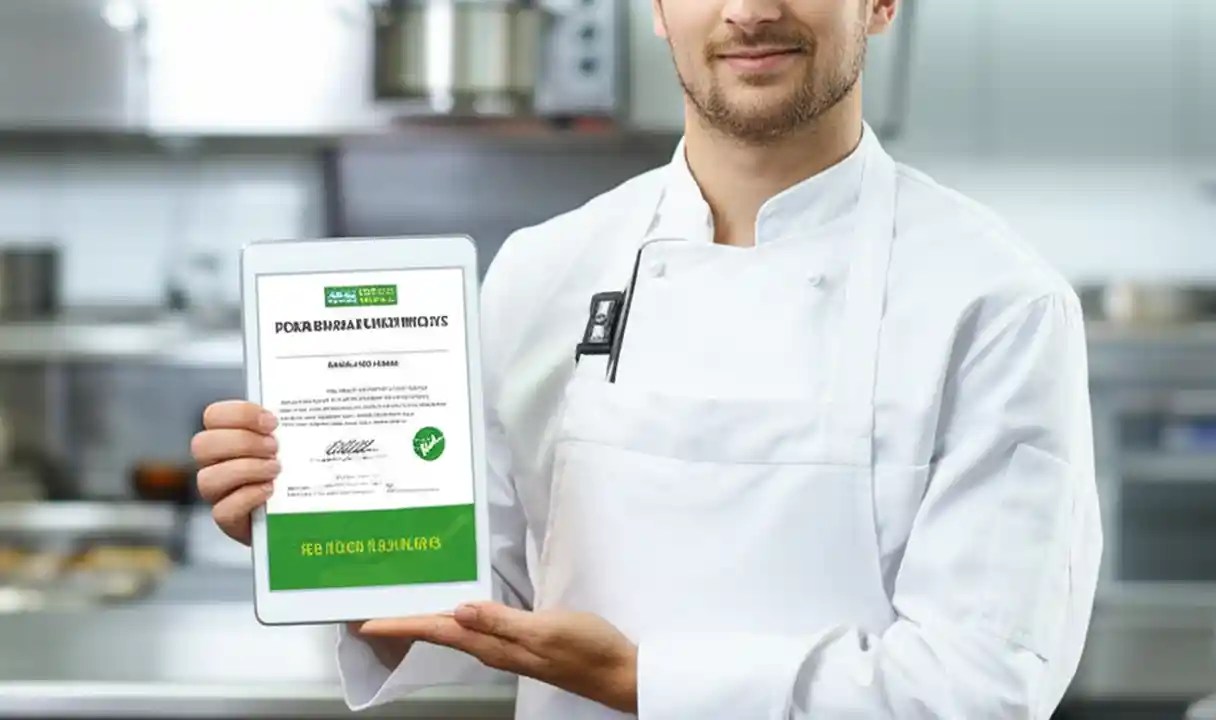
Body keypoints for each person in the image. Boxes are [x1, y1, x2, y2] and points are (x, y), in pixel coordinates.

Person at [190, 0, 1103, 716]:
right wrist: (321, 535)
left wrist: (643, 680)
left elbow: (980, 688)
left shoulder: (996, 302)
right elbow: (486, 584)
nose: (749, 10)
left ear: (881, 1)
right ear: (659, 7)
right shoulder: (544, 269)